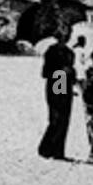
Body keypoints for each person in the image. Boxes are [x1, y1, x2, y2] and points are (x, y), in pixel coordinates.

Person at [37, 29, 77, 160]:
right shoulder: (51, 51)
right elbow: (45, 72)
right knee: (56, 118)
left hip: (66, 85)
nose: (64, 39)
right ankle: (46, 148)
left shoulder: (70, 53)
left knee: (65, 118)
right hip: (56, 83)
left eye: (67, 37)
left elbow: (73, 72)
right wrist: (60, 71)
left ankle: (59, 151)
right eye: (62, 37)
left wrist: (71, 73)